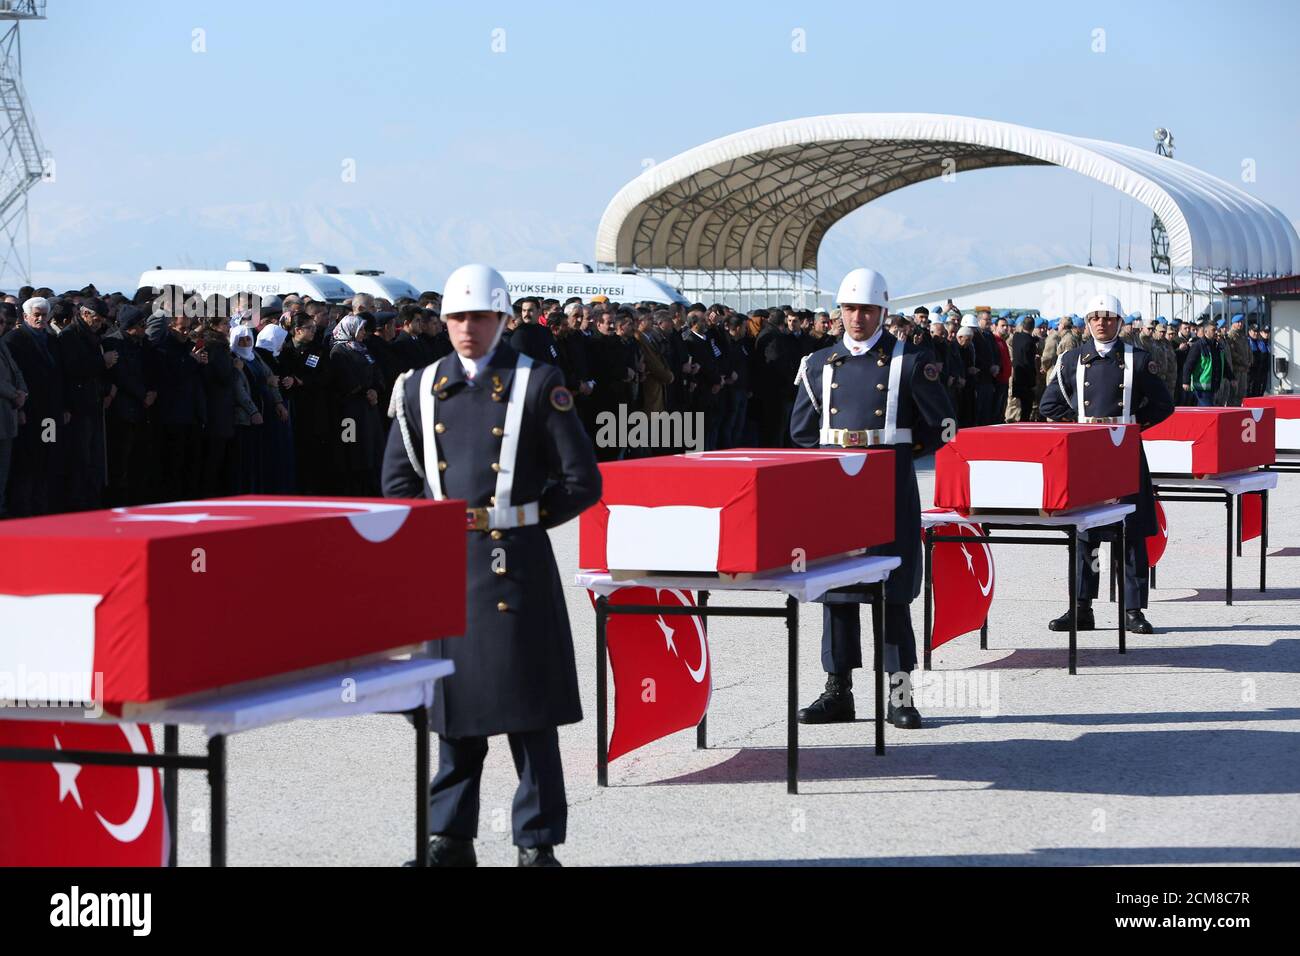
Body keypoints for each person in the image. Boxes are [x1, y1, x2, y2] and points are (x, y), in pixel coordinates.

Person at [382, 263, 601, 868]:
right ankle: (448, 839)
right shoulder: (417, 389)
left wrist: (524, 517)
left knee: (530, 709)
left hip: (516, 561)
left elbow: (583, 482)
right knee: (453, 708)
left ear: (503, 320)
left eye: (479, 316)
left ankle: (537, 845)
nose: (467, 328)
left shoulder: (537, 382)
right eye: (456, 317)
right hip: (448, 565)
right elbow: (398, 483)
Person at [790, 268, 955, 729]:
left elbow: (943, 426)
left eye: (866, 309)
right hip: (837, 492)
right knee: (837, 591)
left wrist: (899, 458)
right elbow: (802, 432)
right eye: (849, 309)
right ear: (838, 312)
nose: (857, 318)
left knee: (893, 591)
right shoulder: (818, 363)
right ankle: (837, 691)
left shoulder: (909, 358)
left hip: (888, 486)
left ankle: (900, 695)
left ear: (883, 311)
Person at [1039, 294, 1173, 634]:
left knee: (1132, 531)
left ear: (1120, 322)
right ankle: (1082, 607)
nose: (1102, 323)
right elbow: (1049, 405)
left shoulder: (1138, 360)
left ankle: (1133, 609)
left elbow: (1163, 404)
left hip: (1124, 451)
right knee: (1085, 532)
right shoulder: (1070, 360)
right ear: (1087, 322)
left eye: (1109, 317)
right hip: (1088, 455)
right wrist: (1081, 428)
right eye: (1095, 317)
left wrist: (1131, 426)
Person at [1182, 318, 1225, 405]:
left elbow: (1223, 363)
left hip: (1213, 385)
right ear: (1206, 331)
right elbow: (1189, 364)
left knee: (1203, 412)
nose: (1216, 332)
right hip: (1201, 387)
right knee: (1208, 410)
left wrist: (1231, 377)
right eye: (1213, 330)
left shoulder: (1217, 346)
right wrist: (1186, 381)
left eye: (1216, 329)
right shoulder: (1198, 346)